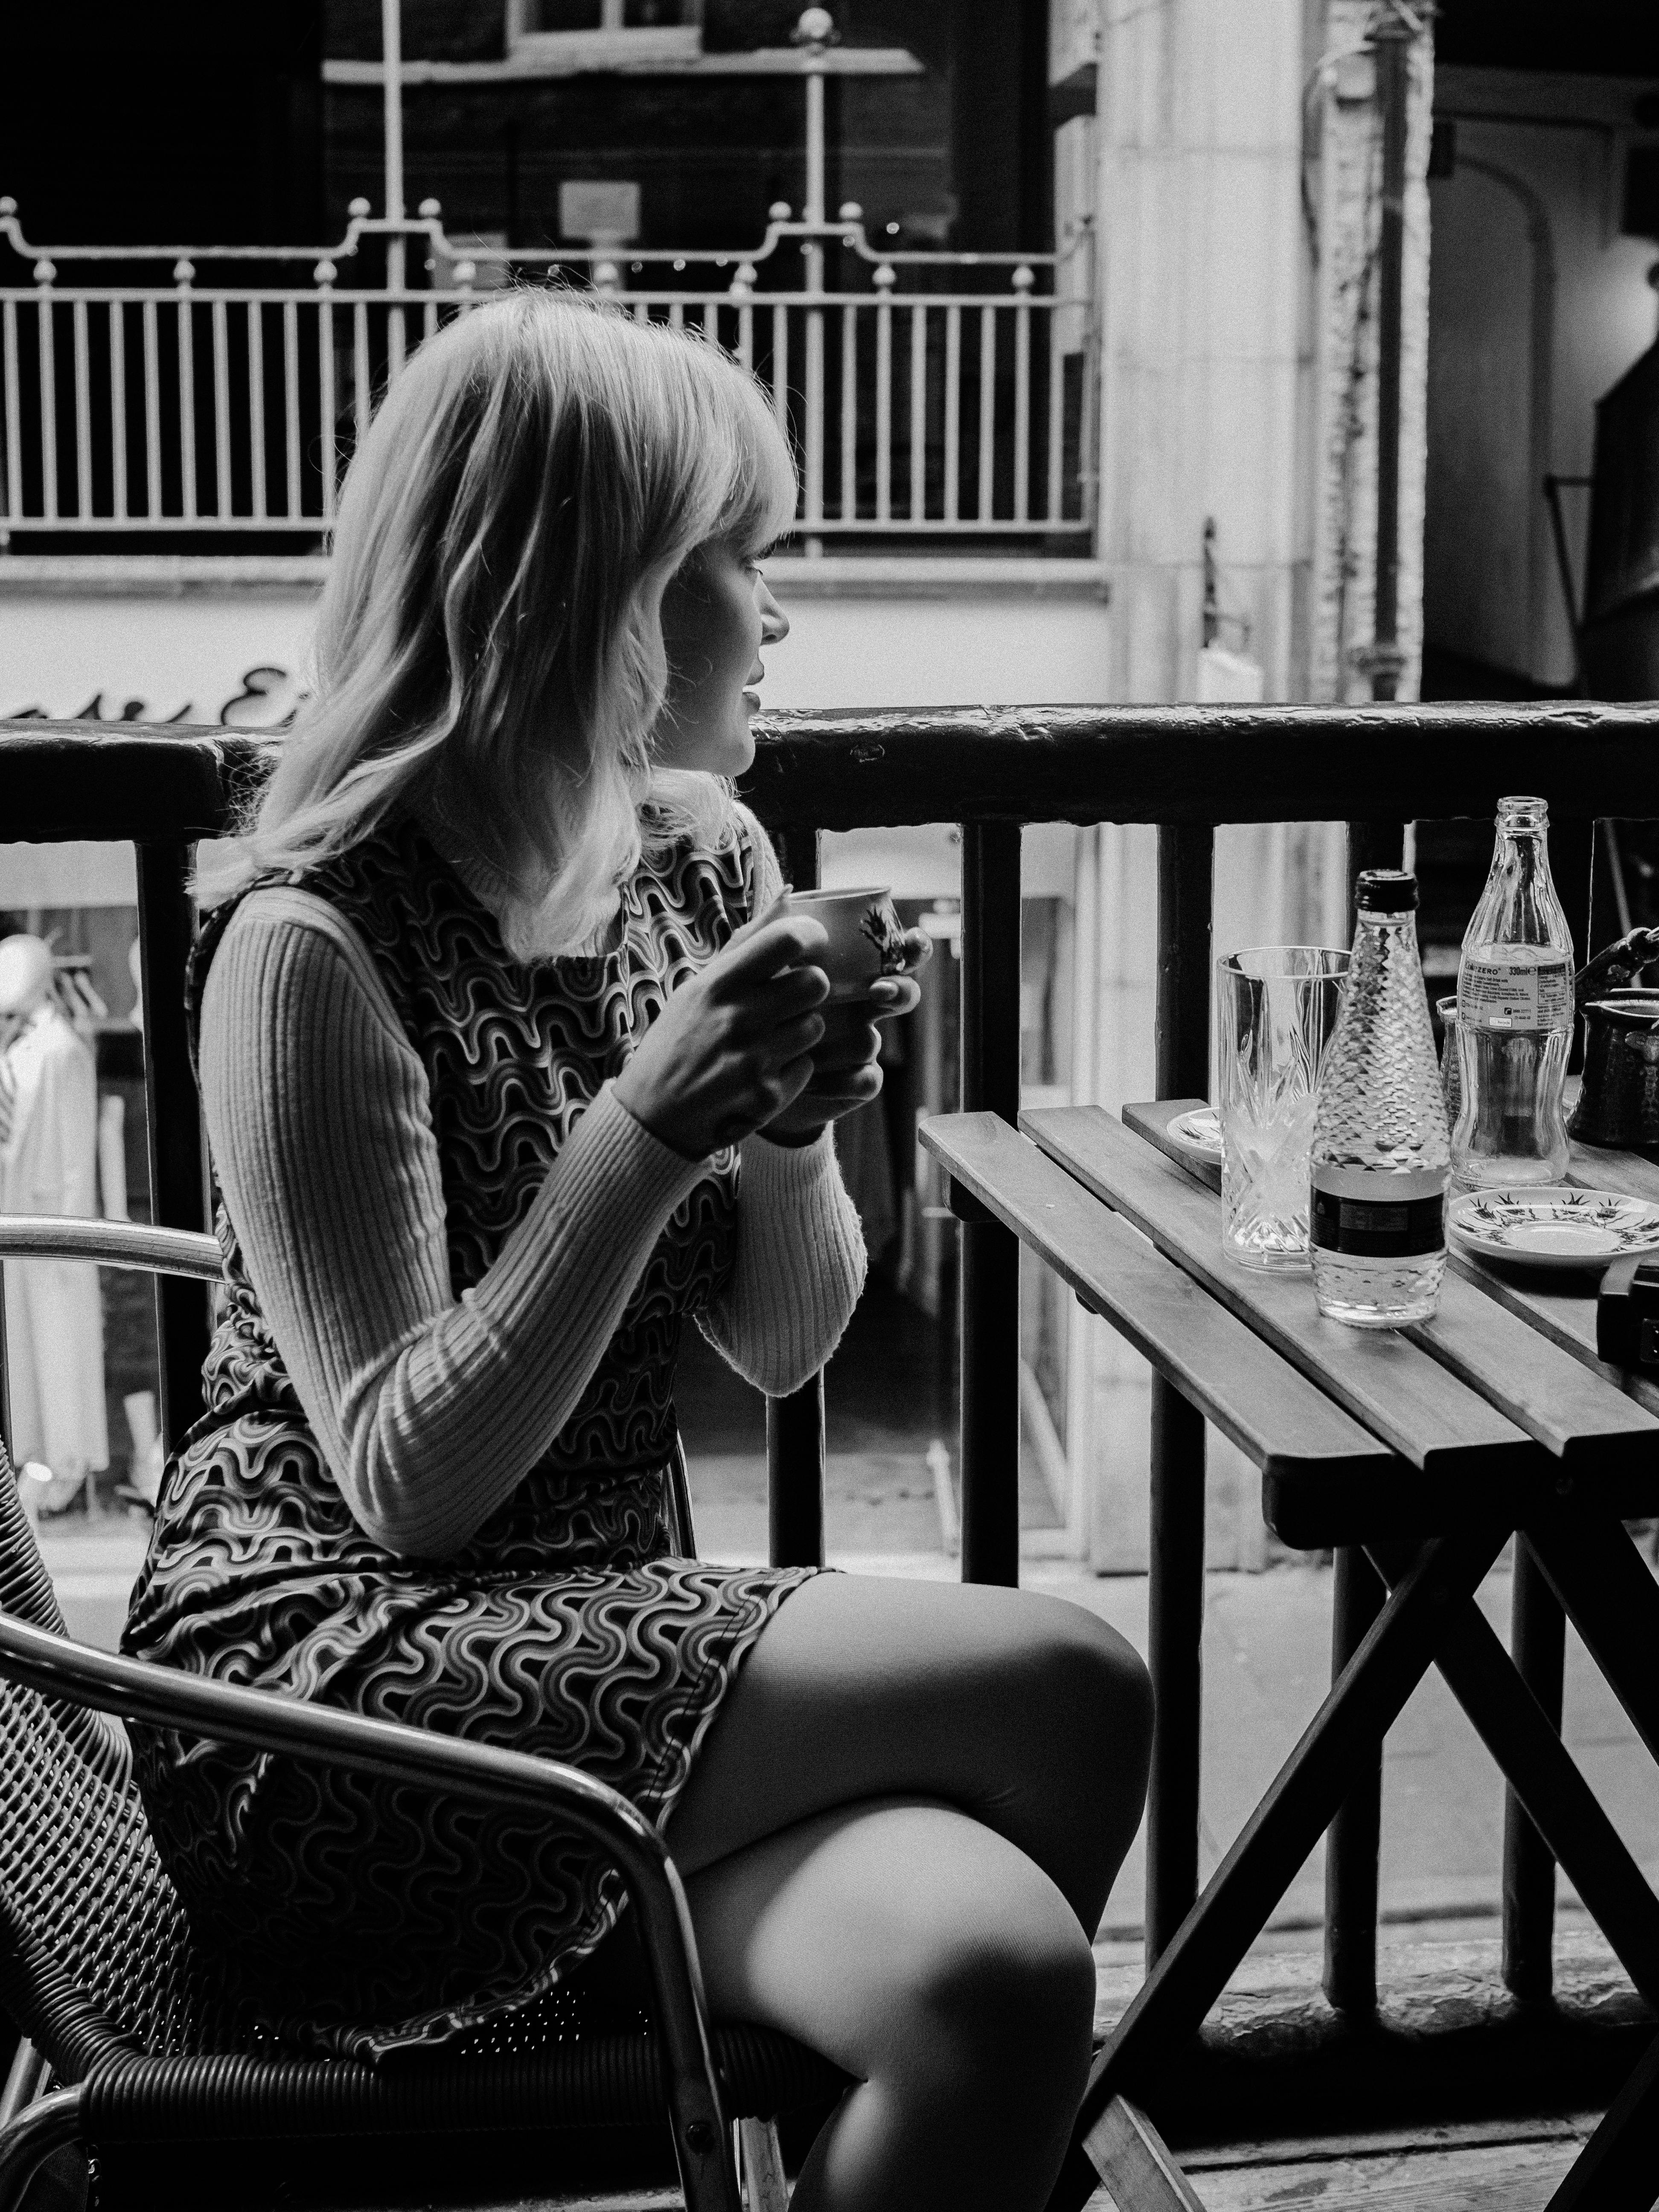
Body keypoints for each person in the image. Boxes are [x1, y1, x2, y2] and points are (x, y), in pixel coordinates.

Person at [122, 293, 1152, 2212]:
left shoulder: (699, 859)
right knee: (1077, 1686)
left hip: (601, 1678)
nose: (777, 614)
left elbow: (782, 1341)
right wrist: (642, 1132)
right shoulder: (311, 947)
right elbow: (411, 1490)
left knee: (996, 1979)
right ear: (574, 595)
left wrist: (785, 1137)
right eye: (731, 564)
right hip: (335, 1695)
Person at [0, 933, 108, 1516]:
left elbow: (74, 1156)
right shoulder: (19, 1047)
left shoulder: (64, 1049)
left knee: (62, 1347)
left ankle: (68, 1464)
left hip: (52, 1224)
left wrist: (72, 1235)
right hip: (16, 1222)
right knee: (28, 1351)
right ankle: (38, 1458)